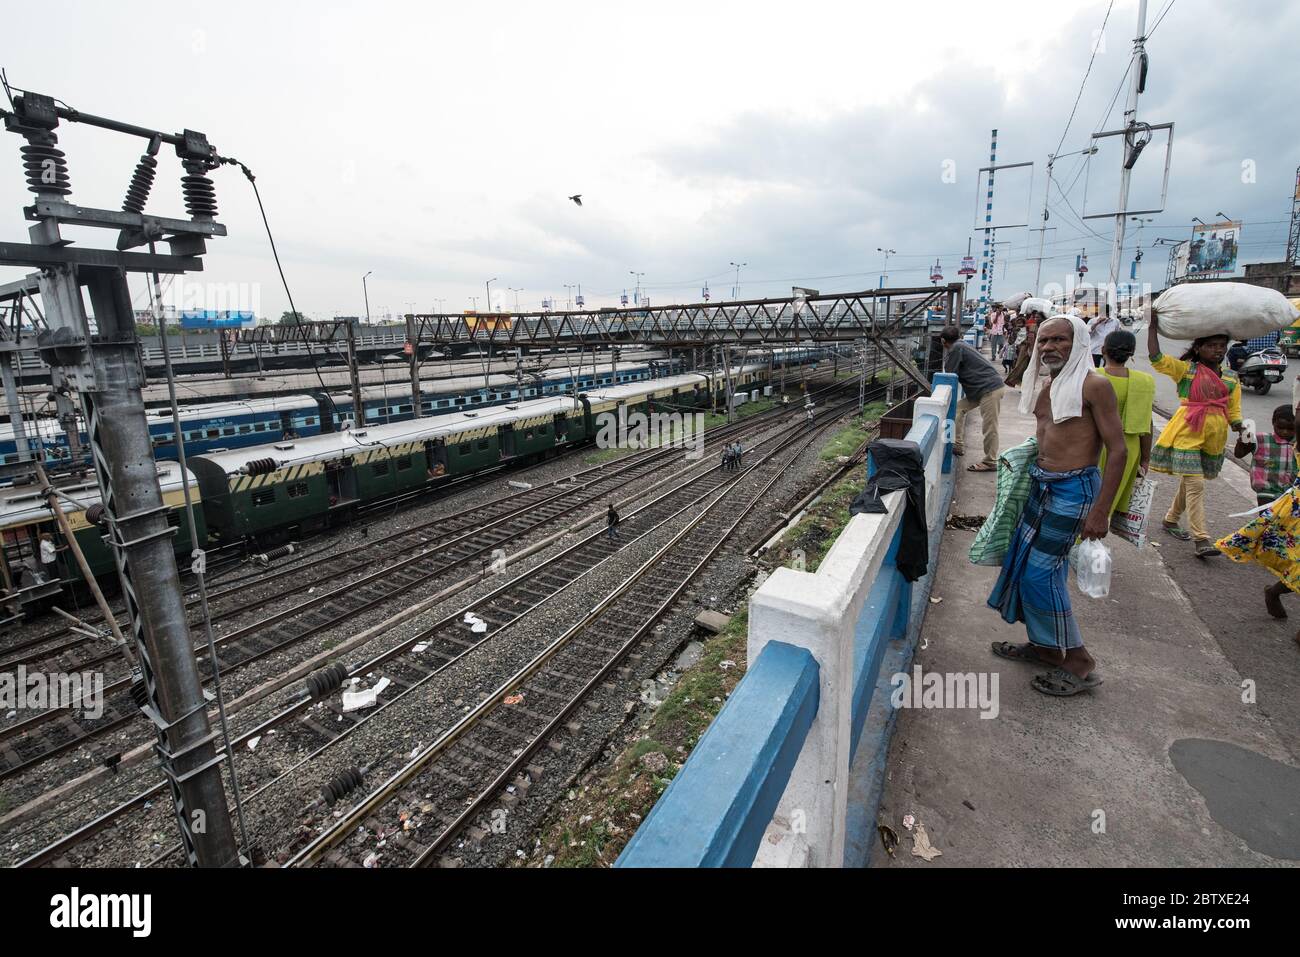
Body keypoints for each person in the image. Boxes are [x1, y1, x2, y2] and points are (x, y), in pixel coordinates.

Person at [988, 315, 1127, 697]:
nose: (1049, 347)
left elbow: (1117, 450)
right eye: (1043, 341)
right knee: (1021, 565)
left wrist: (1102, 511)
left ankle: (1079, 662)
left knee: (1040, 575)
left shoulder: (1095, 386)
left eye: (1059, 340)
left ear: (1080, 342)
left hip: (1074, 491)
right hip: (1042, 486)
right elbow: (1044, 435)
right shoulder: (1051, 387)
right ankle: (1047, 649)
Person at [1147, 314, 1243, 557]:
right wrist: (1152, 327)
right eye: (1211, 346)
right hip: (1187, 433)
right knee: (1196, 483)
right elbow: (1157, 359)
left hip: (1214, 436)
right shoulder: (1186, 370)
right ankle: (1202, 539)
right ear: (1198, 348)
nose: (1218, 350)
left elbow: (1233, 409)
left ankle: (1170, 519)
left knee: (1190, 482)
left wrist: (1240, 427)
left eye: (1222, 346)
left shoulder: (1231, 377)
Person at [1094, 330, 1155, 515]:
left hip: (1094, 445)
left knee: (1088, 500)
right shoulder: (1145, 381)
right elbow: (1147, 425)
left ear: (1103, 349)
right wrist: (1145, 459)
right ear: (1132, 353)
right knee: (1107, 506)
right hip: (1128, 449)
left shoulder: (1092, 376)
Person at [940, 324, 1005, 472]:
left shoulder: (956, 348)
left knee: (990, 427)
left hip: (989, 389)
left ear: (943, 341)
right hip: (980, 390)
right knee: (958, 409)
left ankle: (990, 461)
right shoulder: (961, 344)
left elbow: (949, 374)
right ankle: (957, 444)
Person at [1234, 404, 1296, 507]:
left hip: (1293, 494)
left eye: (1290, 429)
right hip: (1267, 492)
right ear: (1273, 423)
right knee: (1268, 520)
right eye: (1280, 427)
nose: (1284, 432)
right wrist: (1243, 440)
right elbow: (1239, 454)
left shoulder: (1297, 445)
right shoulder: (1261, 439)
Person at [1004, 298, 1051, 388]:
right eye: (1035, 317)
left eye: (1038, 317)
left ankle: (1029, 385)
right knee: (1023, 368)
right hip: (1028, 350)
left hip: (1039, 351)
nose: (1036, 319)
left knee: (1033, 370)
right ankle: (1025, 385)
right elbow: (1023, 336)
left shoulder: (1045, 327)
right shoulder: (1031, 326)